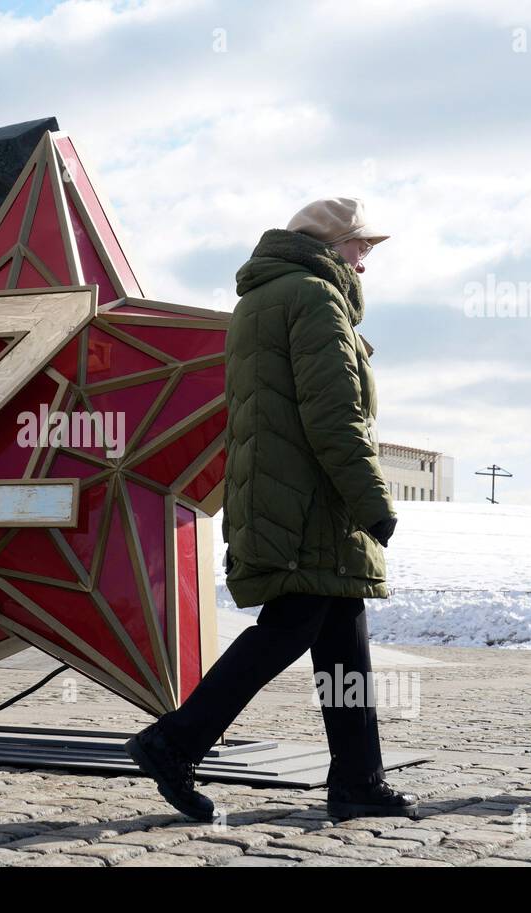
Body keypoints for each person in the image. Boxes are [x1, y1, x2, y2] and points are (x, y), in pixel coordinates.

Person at [125, 197, 418, 822]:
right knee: (288, 628)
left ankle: (358, 780)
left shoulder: (259, 299)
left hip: (285, 493)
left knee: (342, 639)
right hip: (310, 500)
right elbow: (333, 413)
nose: (365, 262)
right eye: (360, 248)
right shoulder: (314, 296)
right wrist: (373, 501)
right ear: (331, 244)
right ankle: (173, 742)